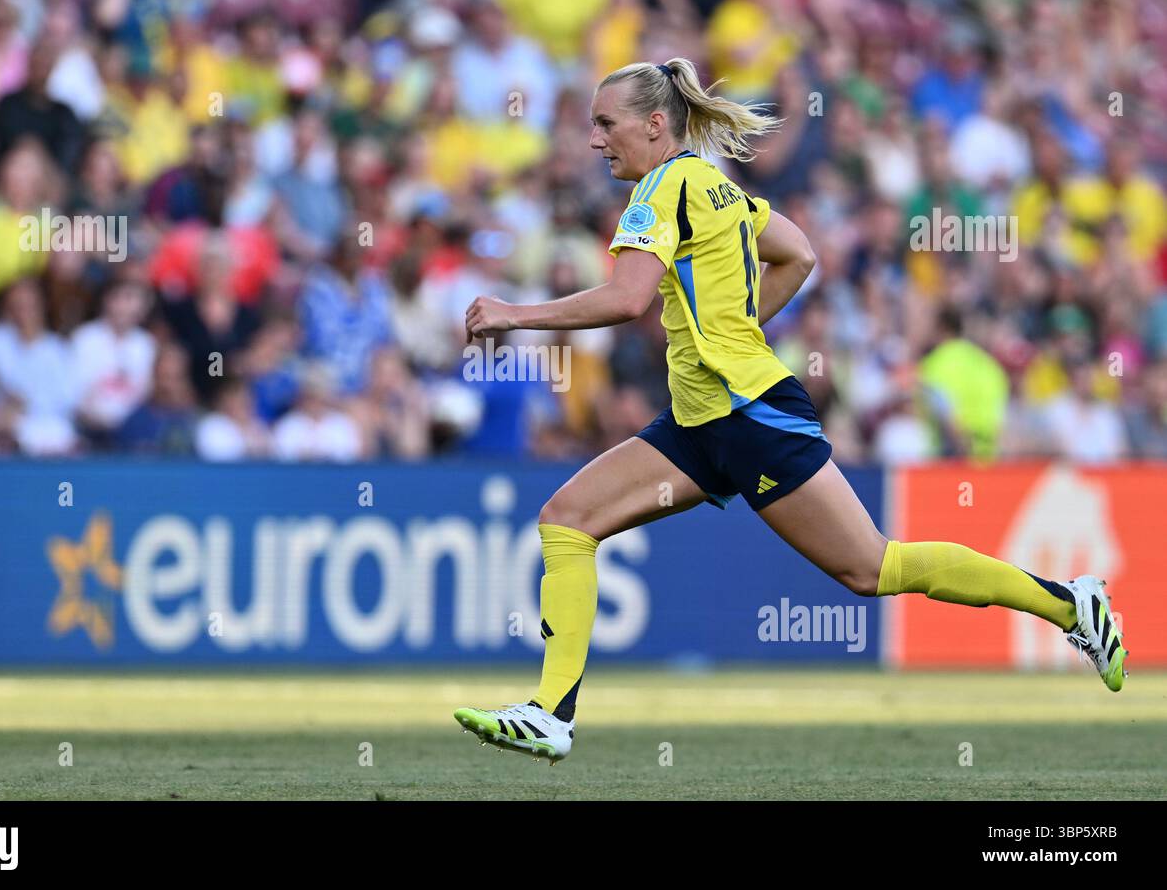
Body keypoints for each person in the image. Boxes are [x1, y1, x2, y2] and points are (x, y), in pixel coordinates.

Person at [453, 58, 1128, 764]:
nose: (595, 140)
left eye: (605, 123)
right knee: (568, 519)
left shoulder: (663, 188)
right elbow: (799, 254)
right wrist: (740, 325)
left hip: (747, 414)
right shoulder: (717, 187)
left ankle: (1067, 604)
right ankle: (552, 713)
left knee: (872, 569)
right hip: (699, 420)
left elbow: (627, 299)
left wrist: (513, 311)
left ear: (655, 125)